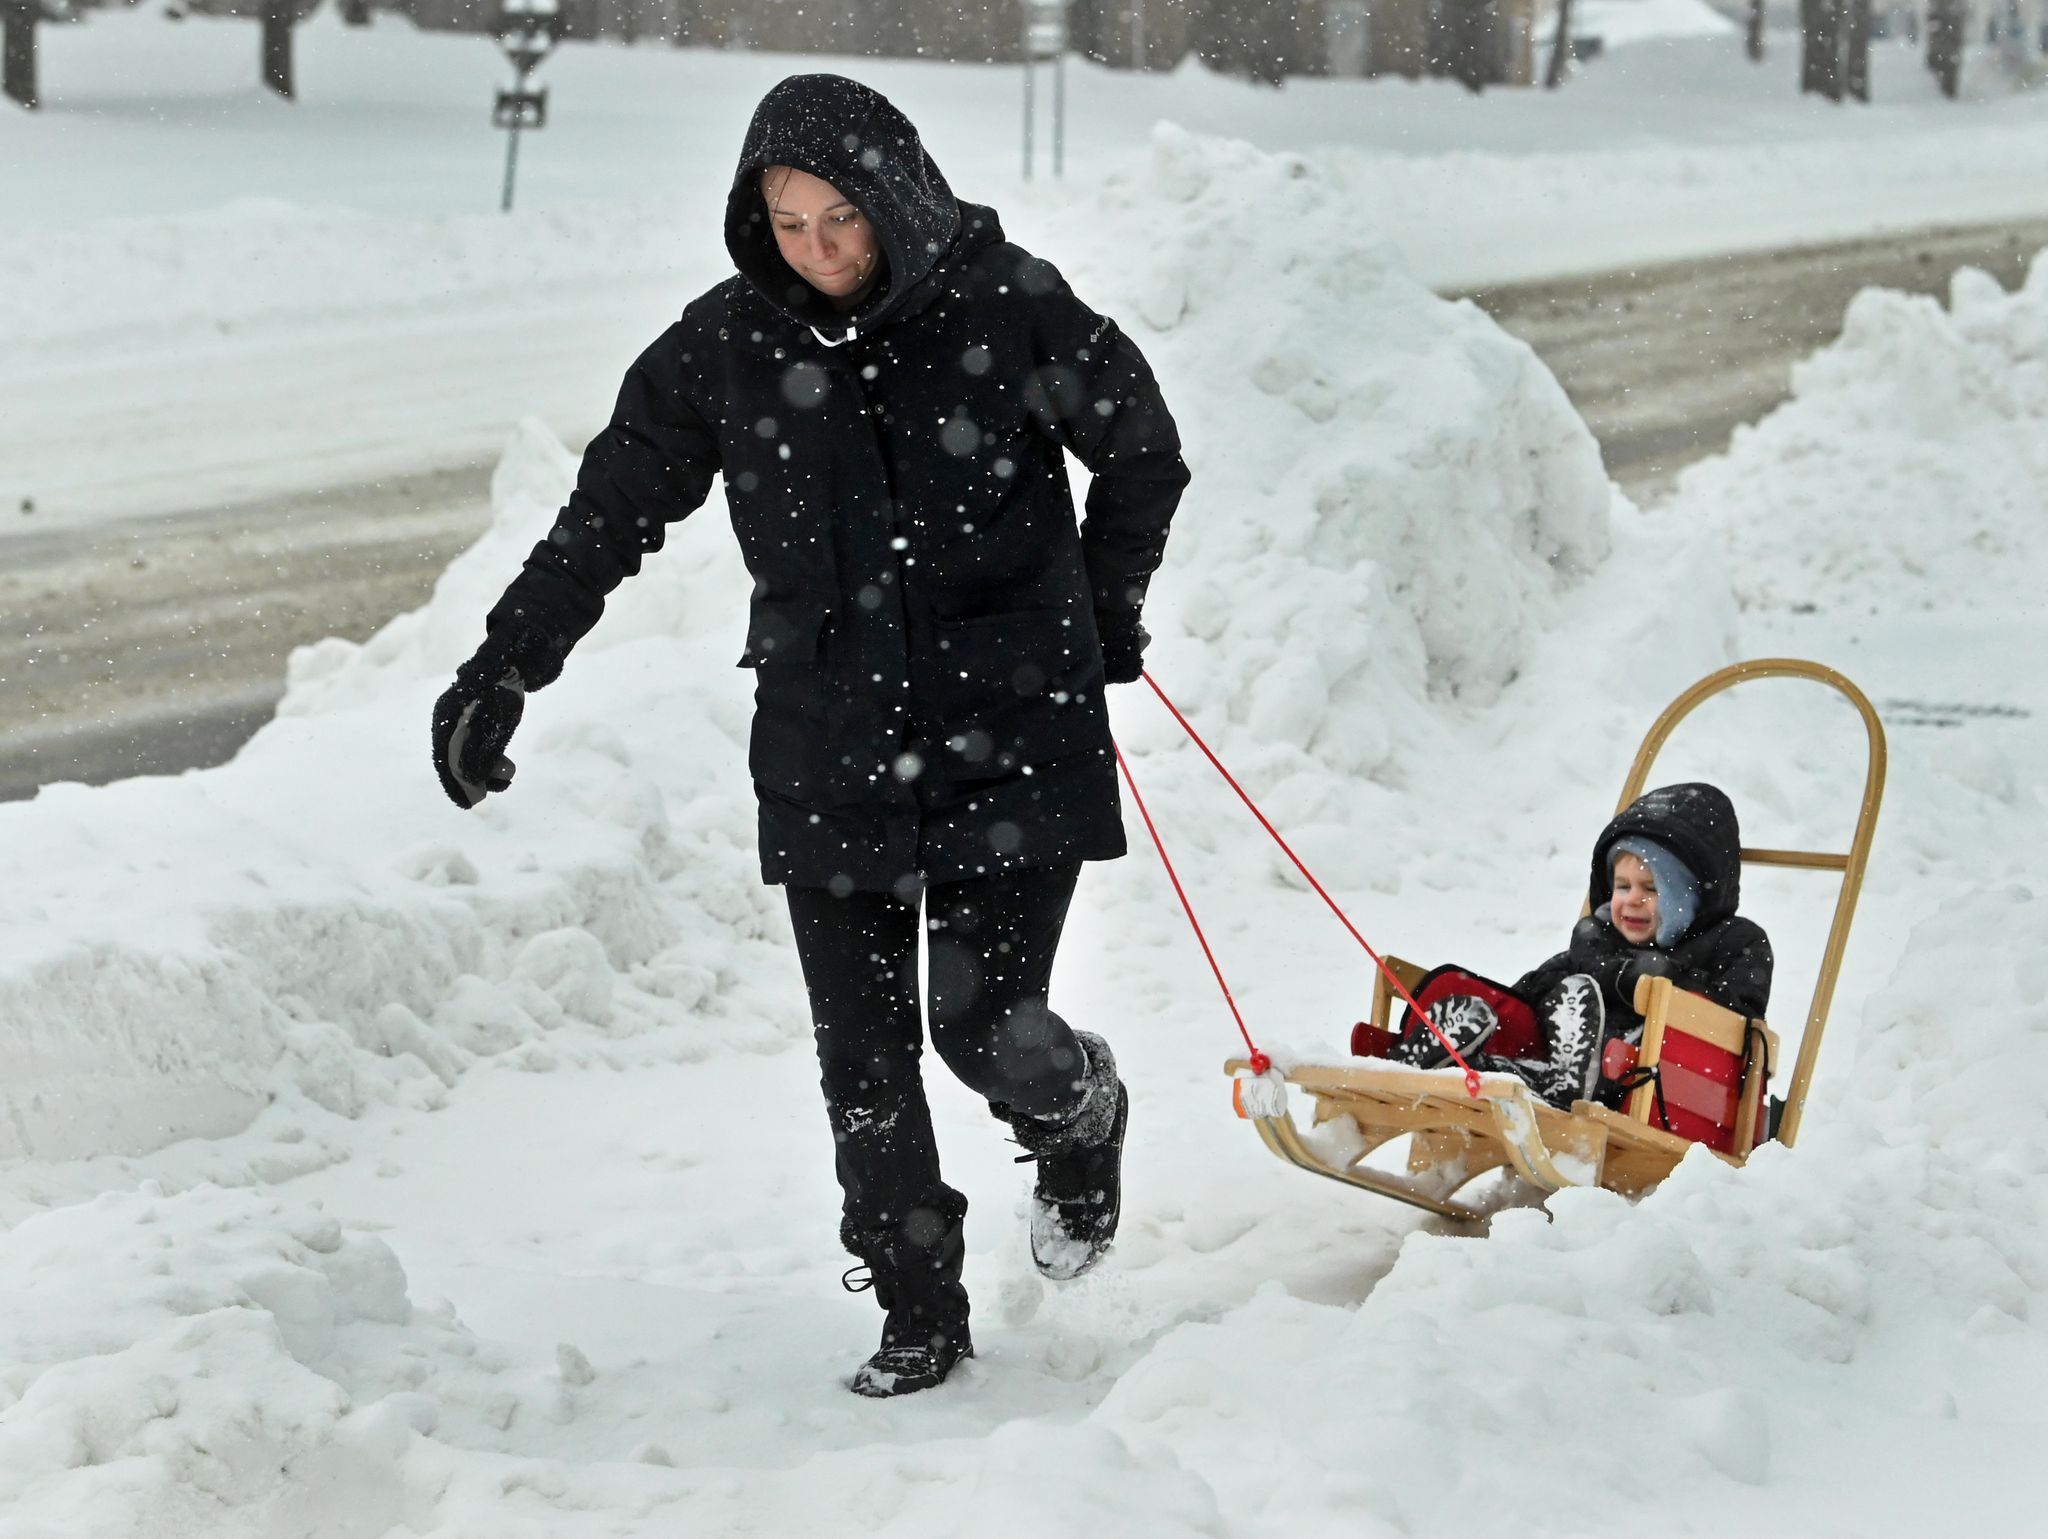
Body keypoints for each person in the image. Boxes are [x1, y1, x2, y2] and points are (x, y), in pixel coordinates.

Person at [428, 74, 1189, 1398]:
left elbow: (1142, 450)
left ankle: (1079, 1110)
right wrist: (505, 664)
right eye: (788, 222)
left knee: (981, 1024)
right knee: (864, 1060)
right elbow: (609, 512)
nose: (820, 250)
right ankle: (917, 1303)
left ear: (897, 195)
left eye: (843, 217)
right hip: (830, 733)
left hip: (1010, 722)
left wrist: (1103, 608)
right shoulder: (727, 347)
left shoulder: (1009, 305)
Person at [1387, 783, 1773, 1110]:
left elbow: (1737, 1023)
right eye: (1622, 886)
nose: (1631, 900)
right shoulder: (1597, 940)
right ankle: (1474, 1060)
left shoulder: (1735, 944)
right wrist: (1509, 1006)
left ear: (1686, 899)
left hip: (1651, 1084)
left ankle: (1567, 1075)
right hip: (1567, 1065)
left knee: (1622, 1031)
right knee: (1555, 995)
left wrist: (1667, 987)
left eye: (1652, 889)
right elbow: (1535, 989)